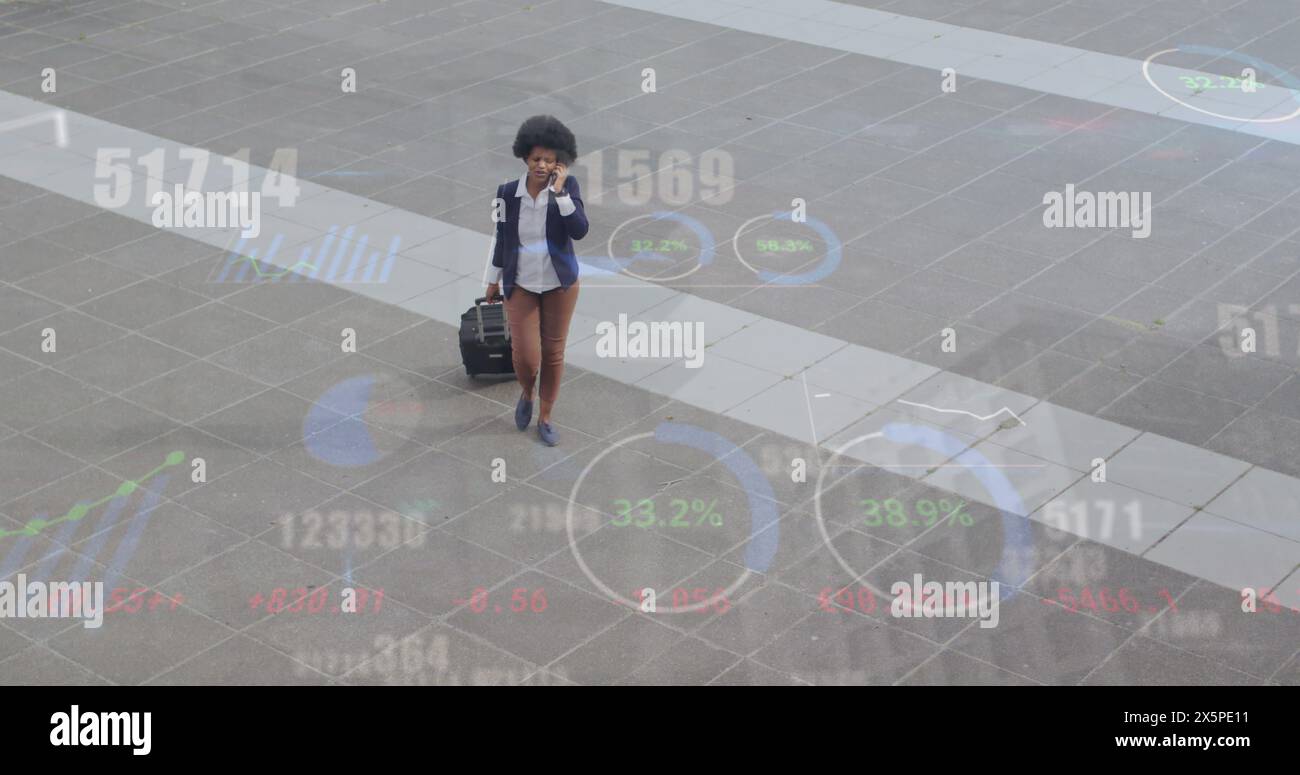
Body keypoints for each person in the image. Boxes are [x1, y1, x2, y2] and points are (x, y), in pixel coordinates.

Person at [485, 115, 588, 446]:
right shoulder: (506, 193)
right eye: (535, 159)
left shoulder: (567, 190)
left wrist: (559, 194)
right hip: (521, 283)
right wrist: (492, 279)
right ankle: (527, 392)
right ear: (524, 158)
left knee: (553, 352)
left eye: (548, 159)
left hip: (560, 284)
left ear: (560, 162)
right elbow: (501, 237)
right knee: (527, 356)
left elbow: (580, 231)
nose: (541, 165)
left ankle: (545, 416)